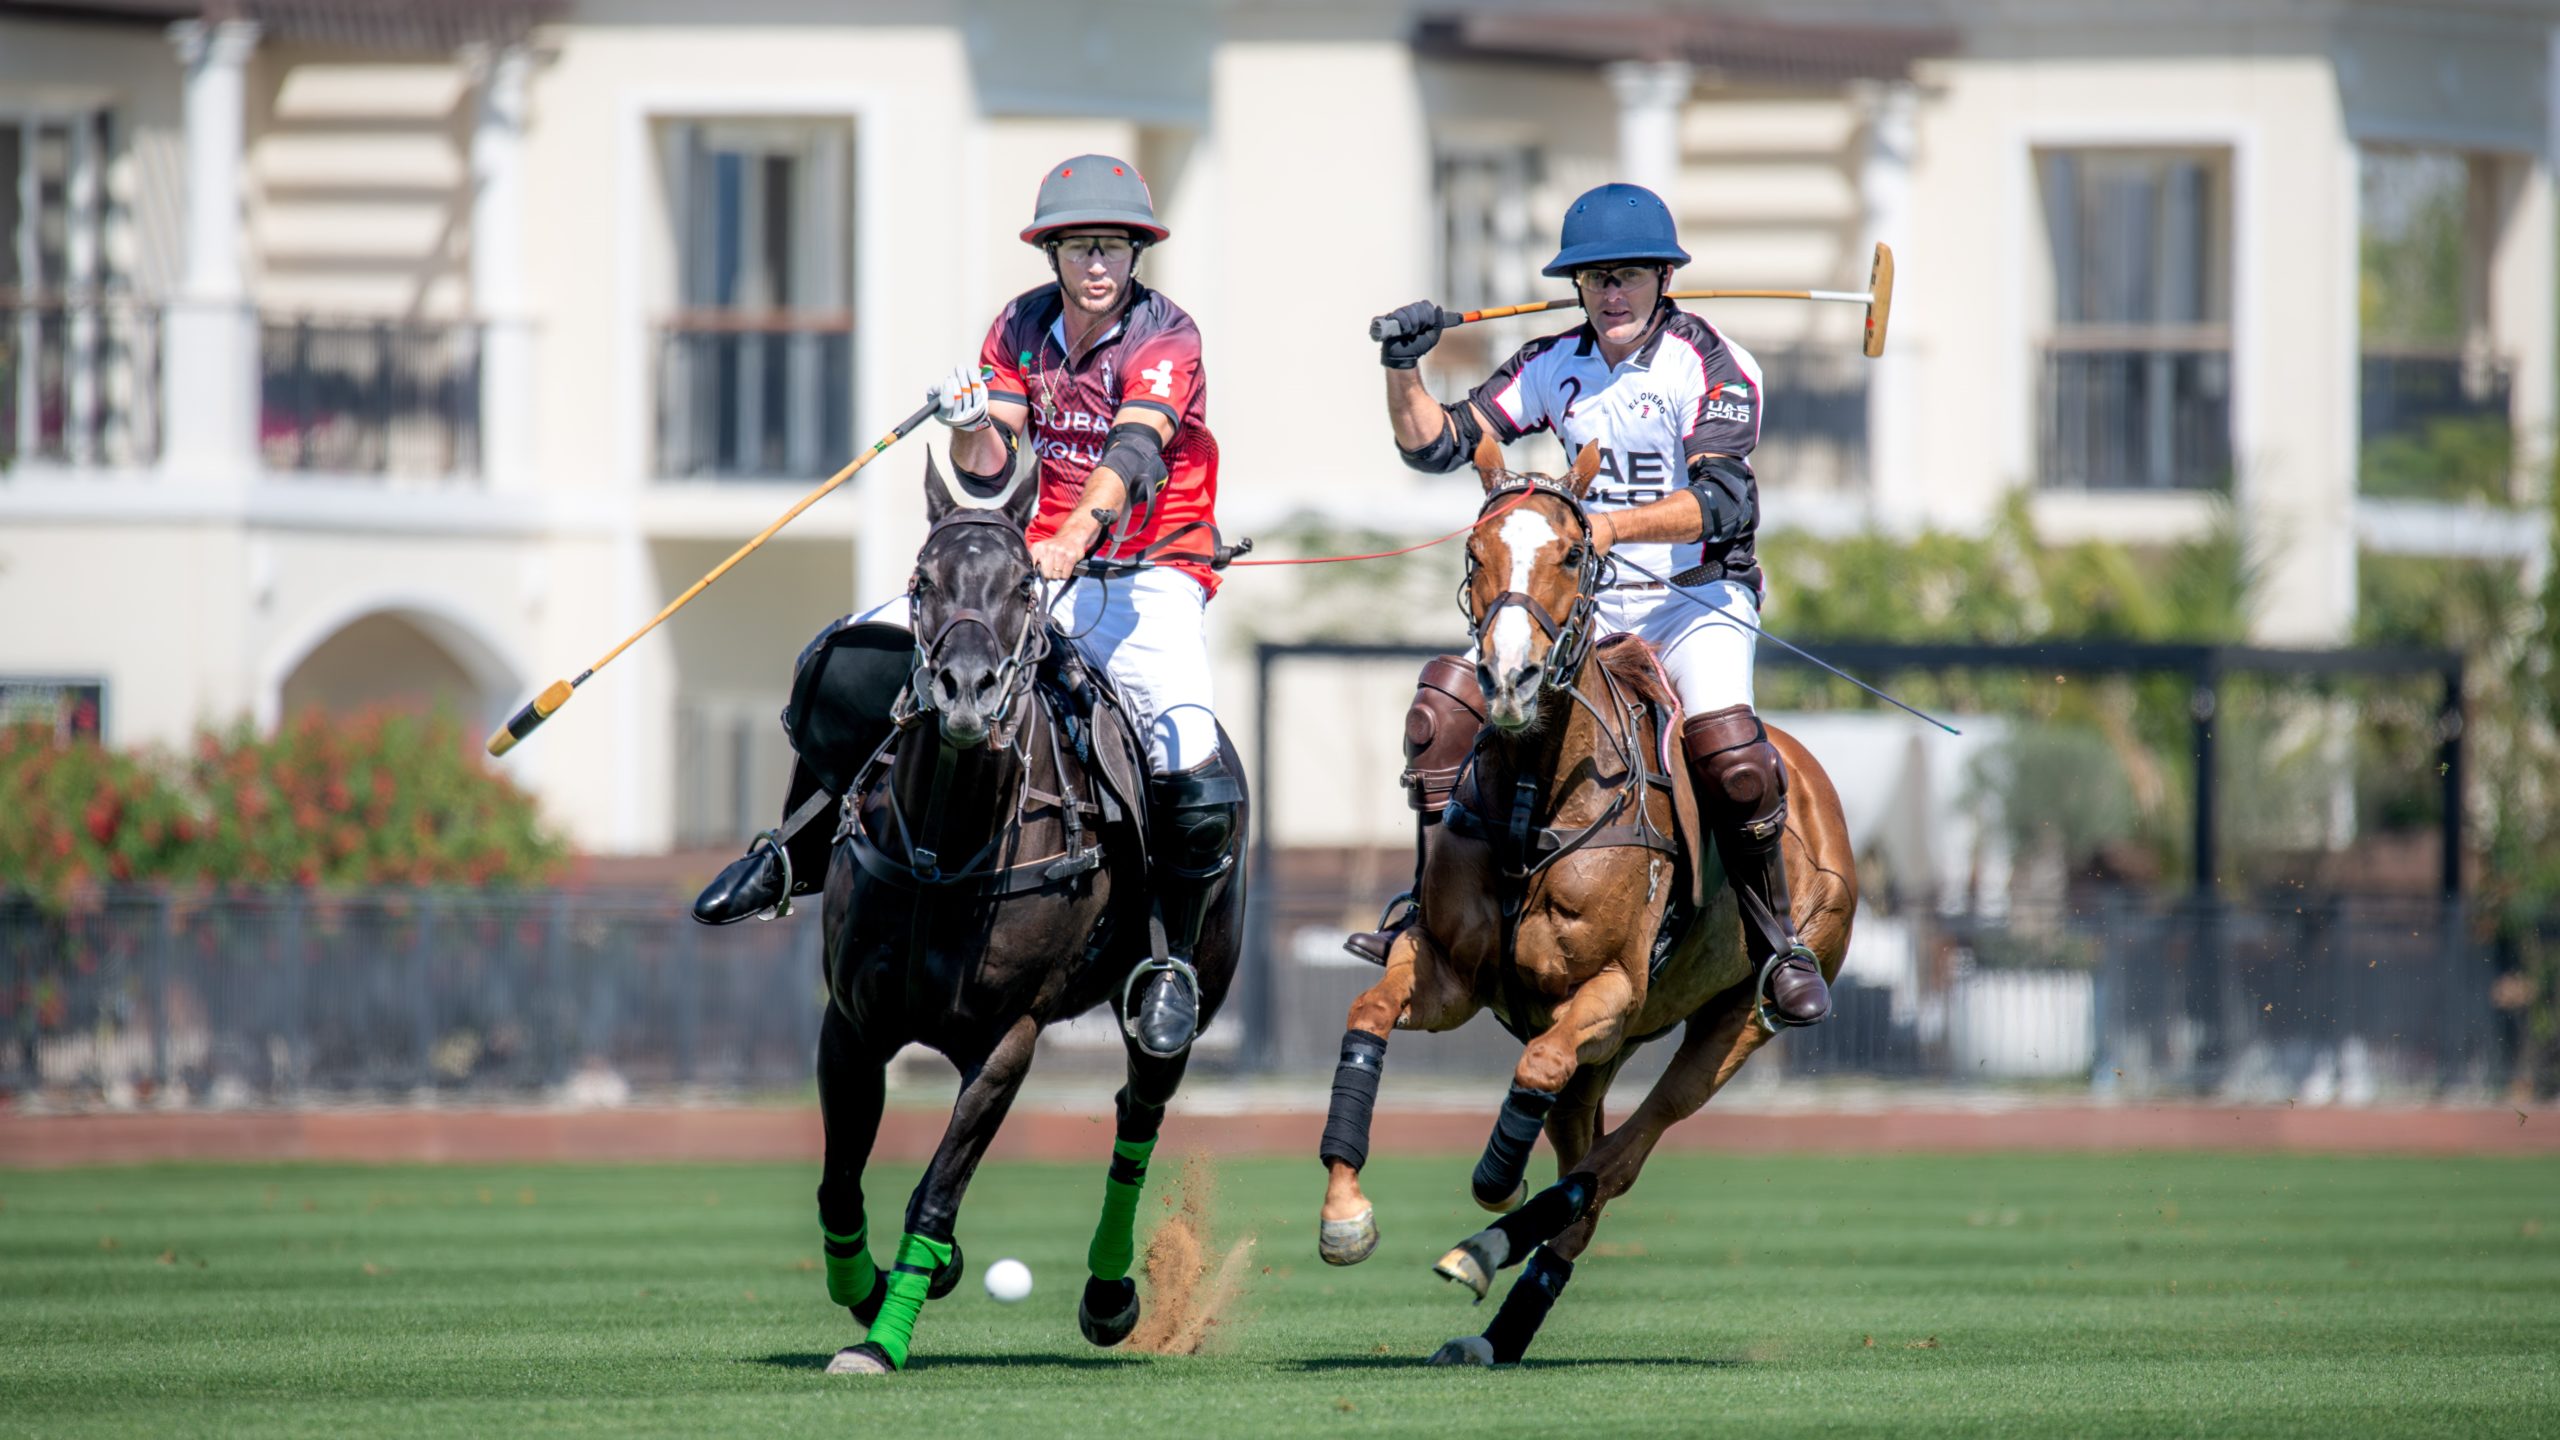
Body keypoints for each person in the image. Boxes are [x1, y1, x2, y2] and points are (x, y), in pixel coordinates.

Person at [690, 155, 1240, 1056]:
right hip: (1030, 573)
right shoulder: (1019, 328)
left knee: (1187, 751)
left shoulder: (1165, 335)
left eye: (1111, 247)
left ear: (1135, 252)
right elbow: (992, 473)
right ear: (1052, 253)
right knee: (854, 663)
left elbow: (1135, 451)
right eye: (1078, 248)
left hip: (1147, 572)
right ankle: (789, 856)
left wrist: (1074, 534)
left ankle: (1169, 964)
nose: (1096, 265)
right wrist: (969, 419)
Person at [1346, 182, 1831, 1028]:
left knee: (1732, 753)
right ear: (1577, 285)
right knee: (1448, 709)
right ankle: (1429, 911)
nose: (1613, 293)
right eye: (1597, 277)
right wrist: (1401, 367)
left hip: (1693, 595)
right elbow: (1438, 444)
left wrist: (1604, 526)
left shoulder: (1713, 363)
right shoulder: (1551, 365)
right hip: (1586, 603)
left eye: (1630, 276)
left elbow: (1725, 503)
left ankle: (1777, 939)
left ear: (1662, 280)